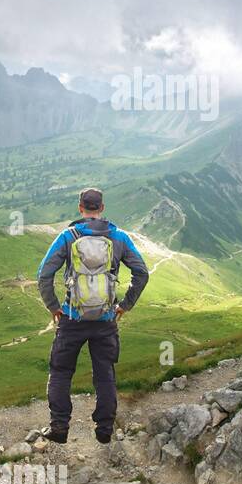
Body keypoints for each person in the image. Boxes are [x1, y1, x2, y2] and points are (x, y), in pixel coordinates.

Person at [36, 188, 149, 444]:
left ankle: (60, 427)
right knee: (104, 373)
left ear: (80, 207)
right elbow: (141, 273)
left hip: (72, 319)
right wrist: (125, 305)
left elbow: (44, 274)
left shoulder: (68, 236)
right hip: (106, 319)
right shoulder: (118, 237)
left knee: (61, 372)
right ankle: (104, 430)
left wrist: (54, 306)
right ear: (102, 207)